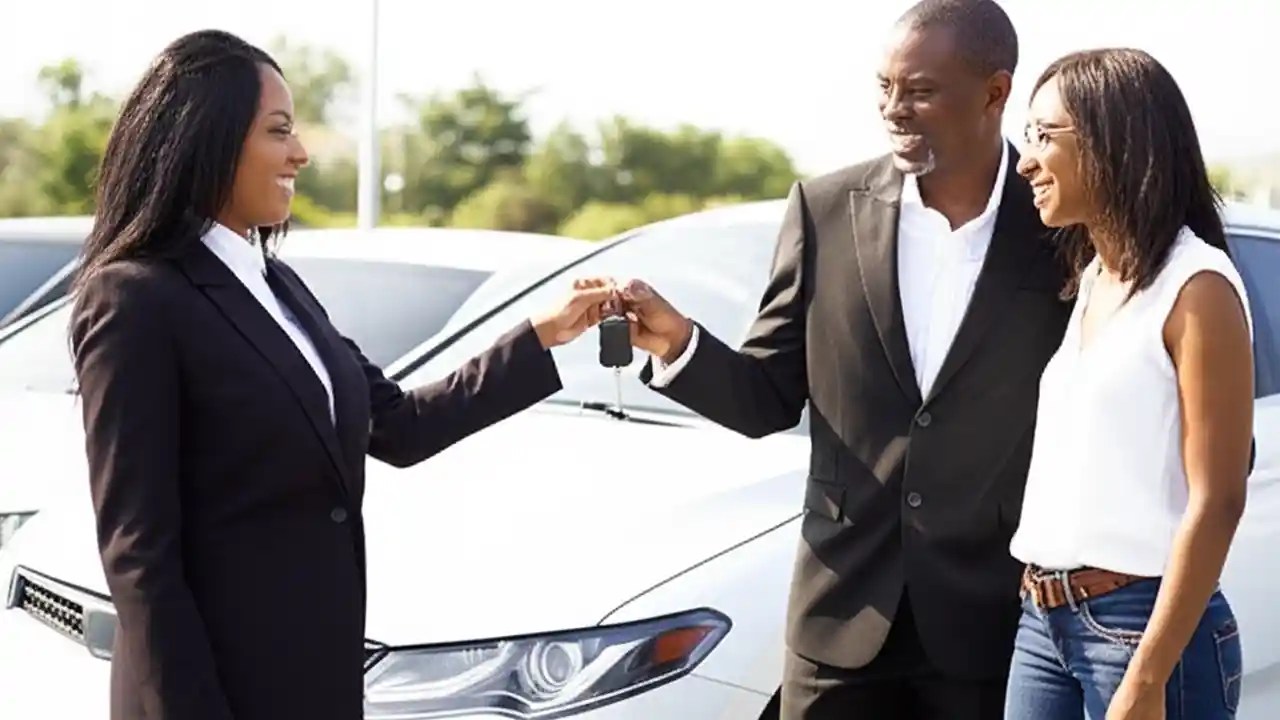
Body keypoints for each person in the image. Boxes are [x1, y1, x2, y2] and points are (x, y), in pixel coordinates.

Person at [68, 30, 614, 720]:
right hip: (213, 694)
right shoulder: (136, 297)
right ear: (205, 138)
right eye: (279, 131)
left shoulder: (279, 285)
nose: (300, 152)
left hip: (316, 684)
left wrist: (546, 332)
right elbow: (139, 557)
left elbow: (403, 425)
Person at [600, 1, 1072, 717]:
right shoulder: (824, 210)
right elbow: (765, 398)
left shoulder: (1059, 225)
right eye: (883, 88)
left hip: (995, 626)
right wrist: (675, 342)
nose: (894, 109)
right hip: (840, 620)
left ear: (995, 93)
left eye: (919, 91)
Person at [1004, 48, 1253, 720]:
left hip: (1140, 628)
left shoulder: (1196, 289)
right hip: (1042, 621)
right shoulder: (1095, 280)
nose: (1025, 160)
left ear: (1116, 142)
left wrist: (1145, 681)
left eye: (1043, 136)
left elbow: (1218, 498)